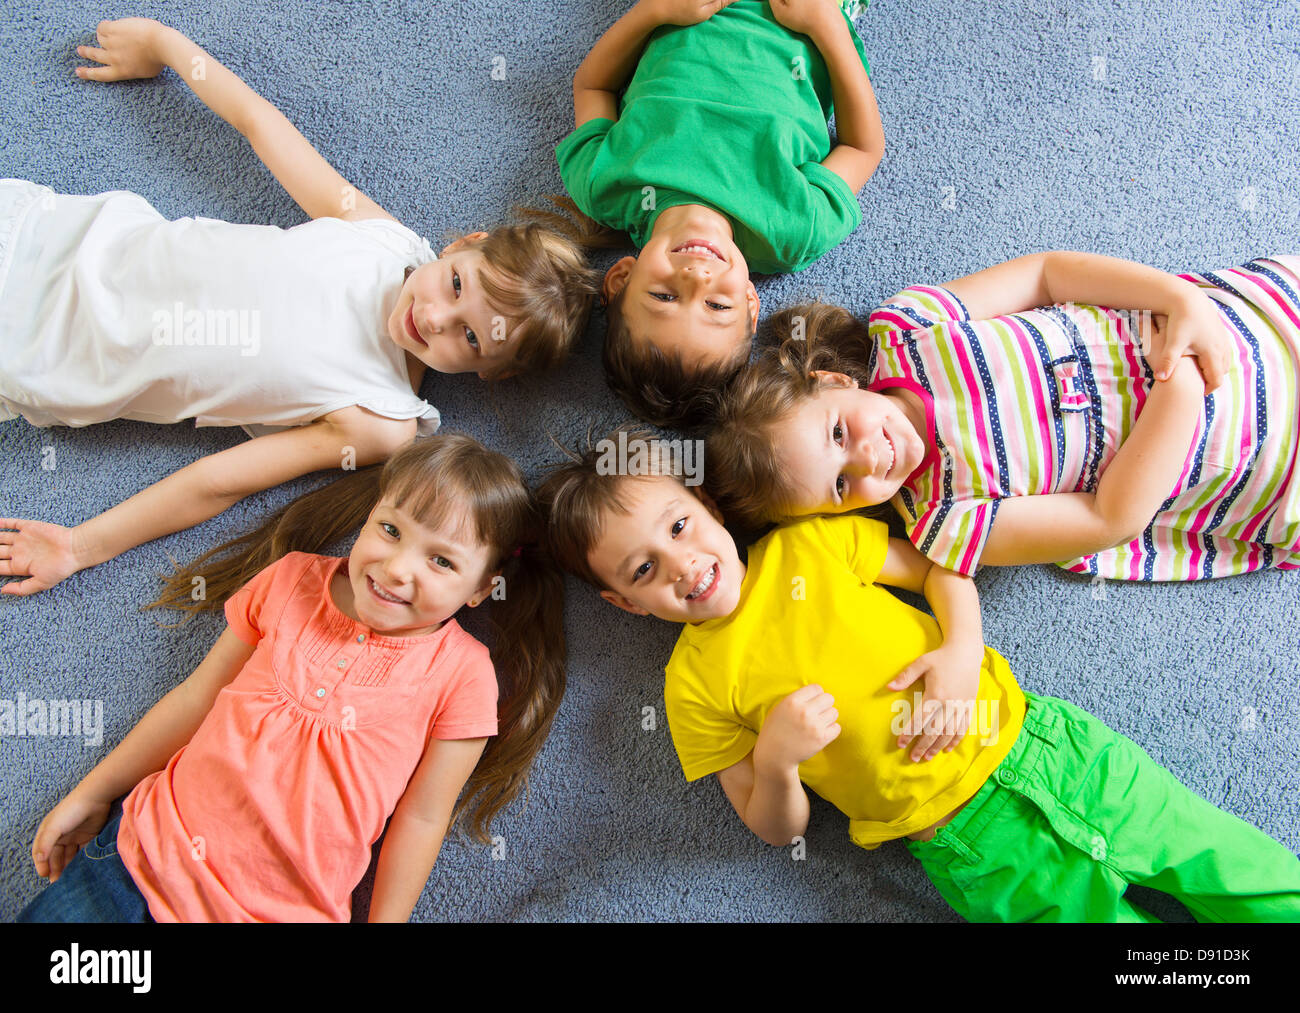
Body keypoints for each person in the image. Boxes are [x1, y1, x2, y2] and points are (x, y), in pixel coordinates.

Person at [537, 435, 1300, 921]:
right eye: (645, 569)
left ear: (704, 504)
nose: (682, 564)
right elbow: (776, 829)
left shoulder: (809, 546)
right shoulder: (692, 688)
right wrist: (775, 758)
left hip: (1047, 746)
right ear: (623, 602)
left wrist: (963, 651)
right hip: (971, 844)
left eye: (678, 526)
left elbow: (942, 566)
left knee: (1235, 867)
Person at [0, 17, 601, 595]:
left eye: (470, 339)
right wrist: (167, 46)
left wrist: (81, 547)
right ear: (463, 244)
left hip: (48, 353)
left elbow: (218, 481)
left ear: (494, 372)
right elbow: (264, 127)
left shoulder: (382, 419)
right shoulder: (384, 240)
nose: (436, 319)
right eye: (456, 285)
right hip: (56, 238)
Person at [18, 433, 566, 922]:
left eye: (442, 562)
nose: (399, 568)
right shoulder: (290, 579)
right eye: (390, 529)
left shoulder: (464, 674)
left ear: (480, 590)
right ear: (369, 515)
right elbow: (195, 698)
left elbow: (422, 819)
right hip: (136, 864)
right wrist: (95, 791)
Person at [706, 250, 1300, 580]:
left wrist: (1179, 299)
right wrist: (1182, 387)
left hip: (1246, 324)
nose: (866, 459)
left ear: (833, 380)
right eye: (840, 487)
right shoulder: (945, 522)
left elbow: (1047, 274)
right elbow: (1107, 518)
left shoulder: (911, 330)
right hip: (1257, 455)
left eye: (838, 432)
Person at [557, 0, 884, 428]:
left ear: (620, 280)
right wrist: (829, 28)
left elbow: (592, 87)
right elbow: (862, 149)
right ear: (750, 303)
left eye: (663, 297)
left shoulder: (605, 185)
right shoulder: (792, 229)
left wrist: (654, 12)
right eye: (716, 305)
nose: (695, 278)